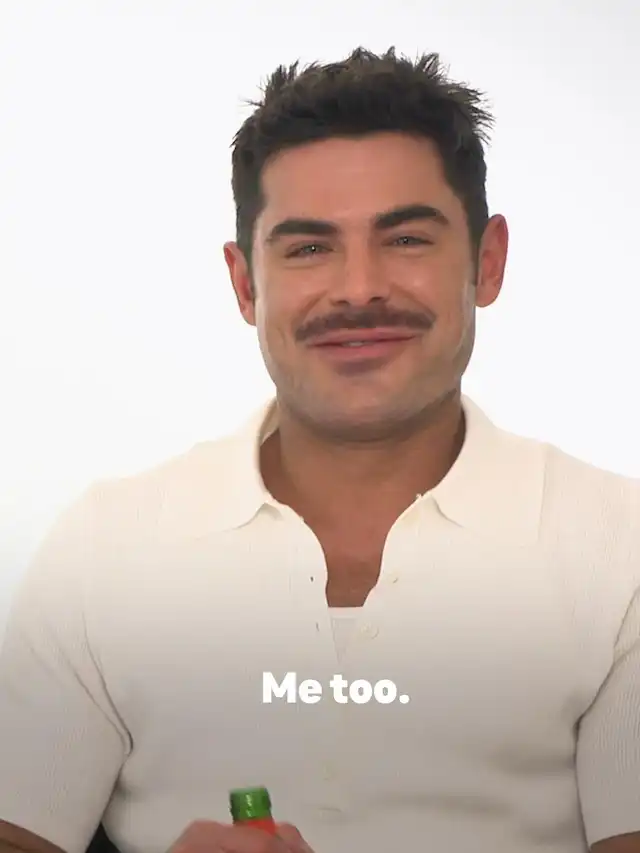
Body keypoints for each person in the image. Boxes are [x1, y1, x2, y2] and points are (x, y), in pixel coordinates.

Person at [0, 45, 638, 853]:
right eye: (308, 247)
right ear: (245, 284)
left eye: (406, 239)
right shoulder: (105, 545)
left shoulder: (621, 549)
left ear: (487, 262)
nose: (358, 287)